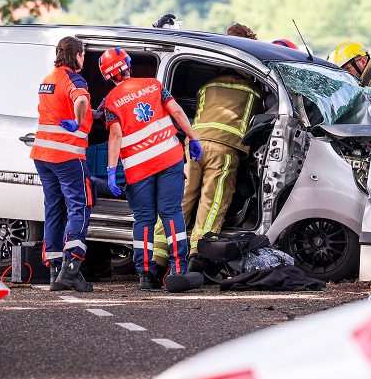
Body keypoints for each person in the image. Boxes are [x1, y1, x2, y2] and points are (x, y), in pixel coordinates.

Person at [98, 47, 202, 291]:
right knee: (171, 213)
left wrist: (111, 170)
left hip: (138, 168)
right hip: (169, 158)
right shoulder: (154, 85)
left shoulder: (111, 101)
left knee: (144, 219)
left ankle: (145, 274)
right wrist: (193, 138)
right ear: (128, 65)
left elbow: (115, 135)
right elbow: (176, 111)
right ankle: (178, 268)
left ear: (108, 76)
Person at [151, 68, 261, 268]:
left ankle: (158, 257)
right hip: (224, 147)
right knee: (212, 201)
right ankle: (198, 256)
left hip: (195, 144)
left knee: (181, 198)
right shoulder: (253, 90)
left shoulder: (207, 86)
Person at [30, 36, 94, 293]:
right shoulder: (75, 79)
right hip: (67, 155)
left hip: (43, 155)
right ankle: (72, 269)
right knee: (80, 206)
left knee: (54, 209)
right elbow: (80, 100)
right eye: (83, 55)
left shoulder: (48, 79)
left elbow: (58, 109)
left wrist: (91, 115)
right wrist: (79, 122)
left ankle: (55, 271)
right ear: (78, 56)